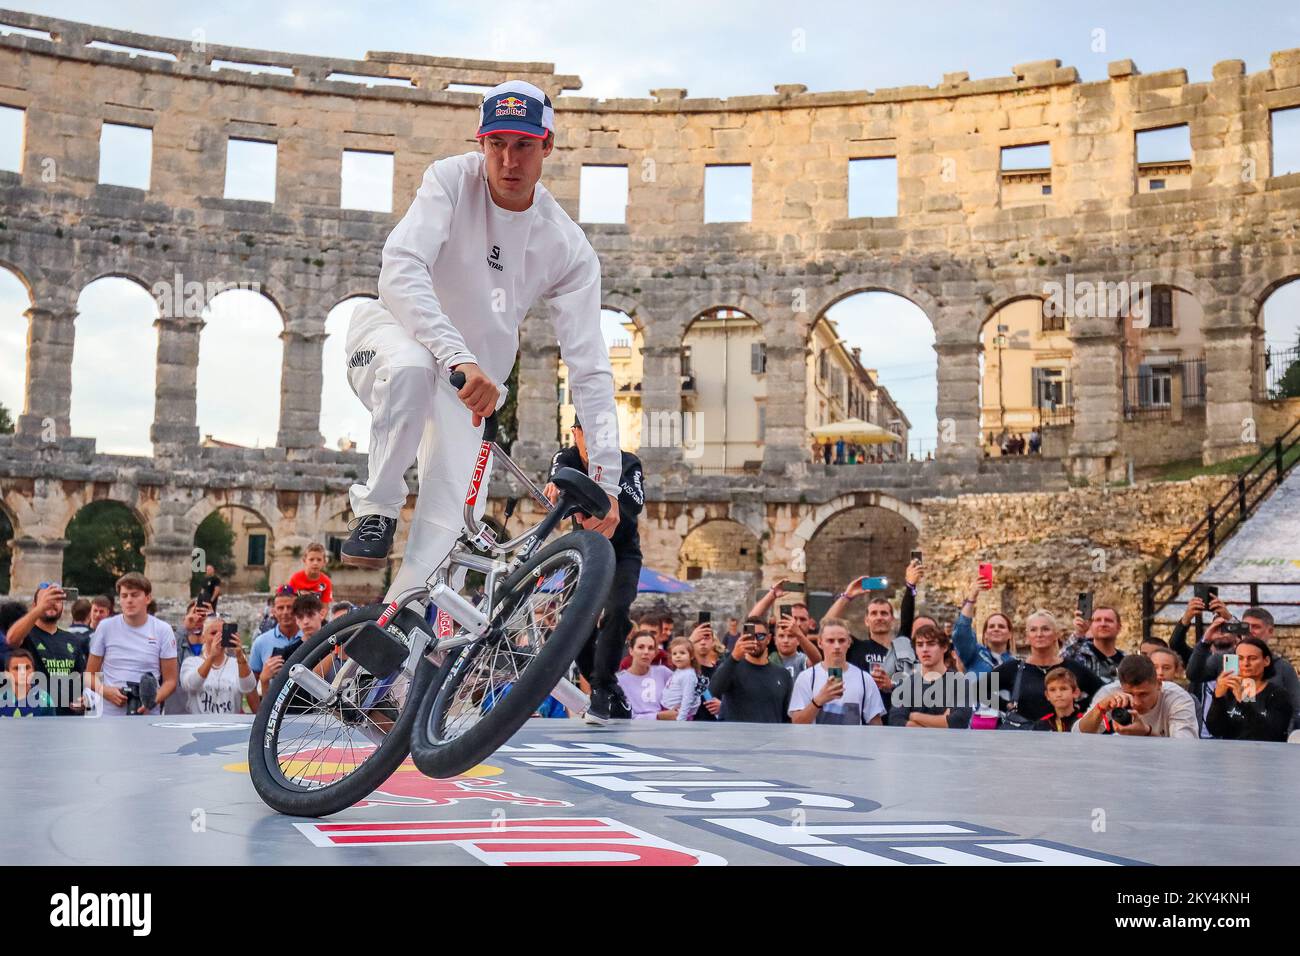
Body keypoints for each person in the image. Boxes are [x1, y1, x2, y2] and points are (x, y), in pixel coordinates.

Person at [337, 78, 623, 612]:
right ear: (481, 143)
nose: (508, 161)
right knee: (414, 368)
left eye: (523, 146)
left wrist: (605, 478)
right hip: (389, 340)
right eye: (496, 144)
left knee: (444, 535)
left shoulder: (567, 246)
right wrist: (458, 356)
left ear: (547, 147)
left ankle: (390, 647)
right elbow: (399, 270)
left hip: (474, 391)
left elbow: (588, 364)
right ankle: (376, 507)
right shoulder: (449, 179)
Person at [546, 416, 644, 724]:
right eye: (586, 432)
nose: (594, 439)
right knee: (574, 622)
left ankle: (602, 688)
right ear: (576, 433)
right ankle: (604, 684)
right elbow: (558, 478)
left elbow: (633, 504)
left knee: (617, 610)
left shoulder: (628, 463)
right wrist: (557, 488)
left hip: (622, 551)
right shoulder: (567, 456)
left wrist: (597, 496)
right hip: (584, 549)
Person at [85, 573, 178, 716]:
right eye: (124, 596)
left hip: (147, 714)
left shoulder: (162, 630)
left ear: (147, 598)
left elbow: (171, 681)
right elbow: (89, 675)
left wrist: (151, 701)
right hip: (110, 715)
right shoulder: (106, 627)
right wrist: (106, 691)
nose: (129, 600)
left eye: (134, 595)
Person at [992, 610, 1103, 722]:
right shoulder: (1013, 668)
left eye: (1045, 629)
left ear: (1056, 634)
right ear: (1027, 636)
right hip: (1024, 735)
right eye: (1033, 630)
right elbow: (978, 690)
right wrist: (1005, 705)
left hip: (1063, 736)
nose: (1039, 634)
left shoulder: (1071, 667)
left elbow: (1103, 692)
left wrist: (1080, 707)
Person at [2, 584, 88, 715]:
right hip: (35, 717)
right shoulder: (27, 635)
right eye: (46, 598)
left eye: (57, 600)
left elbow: (80, 677)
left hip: (68, 722)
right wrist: (40, 609)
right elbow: (11, 639)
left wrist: (84, 699)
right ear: (35, 604)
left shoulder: (72, 640)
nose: (52, 603)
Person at [822, 578, 916, 694]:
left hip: (893, 710)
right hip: (862, 711)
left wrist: (891, 685)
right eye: (874, 613)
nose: (879, 617)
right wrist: (847, 596)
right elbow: (826, 626)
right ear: (866, 621)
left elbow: (907, 618)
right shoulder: (856, 647)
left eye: (884, 613)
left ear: (892, 620)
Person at [1073, 653, 1198, 738]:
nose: (1137, 702)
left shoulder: (1177, 698)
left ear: (1159, 684)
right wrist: (1100, 709)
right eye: (1130, 695)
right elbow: (1078, 735)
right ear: (1120, 686)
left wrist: (1147, 732)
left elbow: (1184, 749)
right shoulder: (1111, 693)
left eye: (1143, 694)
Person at [790, 619, 885, 725]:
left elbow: (876, 724)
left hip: (853, 741)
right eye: (830, 641)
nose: (836, 646)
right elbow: (797, 722)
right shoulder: (806, 677)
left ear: (849, 642)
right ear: (820, 642)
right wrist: (819, 700)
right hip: (817, 741)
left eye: (841, 640)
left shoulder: (864, 678)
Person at [1205, 636, 1295, 742]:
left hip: (1266, 754)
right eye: (1240, 658)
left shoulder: (1277, 694)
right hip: (1231, 753)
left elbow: (1272, 732)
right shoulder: (1230, 691)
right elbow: (1215, 730)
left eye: (1252, 658)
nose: (1246, 663)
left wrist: (1243, 699)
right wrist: (1218, 697)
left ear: (1266, 660)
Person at [886, 623, 972, 728]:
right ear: (915, 650)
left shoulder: (960, 683)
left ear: (944, 647)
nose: (925, 649)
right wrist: (942, 722)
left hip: (949, 744)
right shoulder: (906, 684)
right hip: (913, 744)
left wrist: (914, 716)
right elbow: (896, 721)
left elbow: (957, 721)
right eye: (920, 645)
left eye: (931, 644)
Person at [709, 618, 792, 723]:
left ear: (769, 638)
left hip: (770, 737)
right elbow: (713, 690)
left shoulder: (783, 675)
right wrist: (734, 656)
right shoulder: (732, 667)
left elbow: (786, 717)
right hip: (736, 737)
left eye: (760, 636)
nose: (755, 641)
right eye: (750, 636)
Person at [180, 616, 255, 715]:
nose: (219, 637)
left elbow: (248, 687)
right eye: (213, 633)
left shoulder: (236, 664)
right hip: (199, 725)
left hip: (230, 724)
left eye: (223, 633)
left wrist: (240, 656)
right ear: (203, 638)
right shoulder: (191, 662)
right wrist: (211, 657)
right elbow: (192, 685)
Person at [247, 585, 303, 712]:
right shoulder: (261, 642)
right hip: (271, 709)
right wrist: (259, 714)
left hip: (305, 710)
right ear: (274, 611)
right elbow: (250, 685)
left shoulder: (309, 639)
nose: (285, 612)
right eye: (280, 608)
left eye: (290, 607)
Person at [952, 574, 1017, 673]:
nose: (996, 629)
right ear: (985, 634)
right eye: (991, 626)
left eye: (1001, 626)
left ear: (1010, 634)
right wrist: (972, 598)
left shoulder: (1017, 664)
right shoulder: (974, 655)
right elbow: (962, 633)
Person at [166, 599, 214, 715]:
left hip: (208, 712)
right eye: (195, 613)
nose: (198, 618)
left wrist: (212, 621)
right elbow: (171, 641)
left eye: (203, 615)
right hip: (178, 712)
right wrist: (185, 627)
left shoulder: (215, 647)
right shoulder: (176, 643)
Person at [615, 632, 673, 720]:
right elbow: (623, 717)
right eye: (641, 647)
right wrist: (657, 716)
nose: (646, 652)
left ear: (655, 653)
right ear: (631, 650)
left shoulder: (663, 672)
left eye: (650, 648)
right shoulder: (619, 681)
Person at [1064, 604, 1125, 684]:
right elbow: (1059, 663)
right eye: (1098, 620)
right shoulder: (1079, 655)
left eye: (1108, 620)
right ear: (1090, 626)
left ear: (1119, 627)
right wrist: (1079, 633)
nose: (1103, 624)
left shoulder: (1126, 660)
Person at [0, 649, 55, 717]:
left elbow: (51, 727)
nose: (22, 672)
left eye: (27, 667)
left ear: (33, 671)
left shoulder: (44, 700)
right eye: (16, 668)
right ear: (7, 674)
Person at [688, 621, 724, 721]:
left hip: (715, 731)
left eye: (707, 638)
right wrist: (689, 641)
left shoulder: (722, 672)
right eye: (698, 639)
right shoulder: (685, 670)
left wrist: (723, 707)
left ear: (713, 641)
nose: (703, 642)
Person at [661, 637, 702, 721]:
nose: (678, 656)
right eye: (674, 654)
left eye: (682, 653)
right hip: (669, 712)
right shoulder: (679, 671)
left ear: (691, 656)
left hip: (678, 716)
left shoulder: (688, 675)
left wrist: (681, 719)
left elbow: (687, 698)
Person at [1033, 666, 1085, 731]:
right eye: (1052, 690)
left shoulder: (1084, 722)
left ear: (1075, 693)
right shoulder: (1041, 724)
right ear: (1047, 695)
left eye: (1063, 689)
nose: (1058, 694)